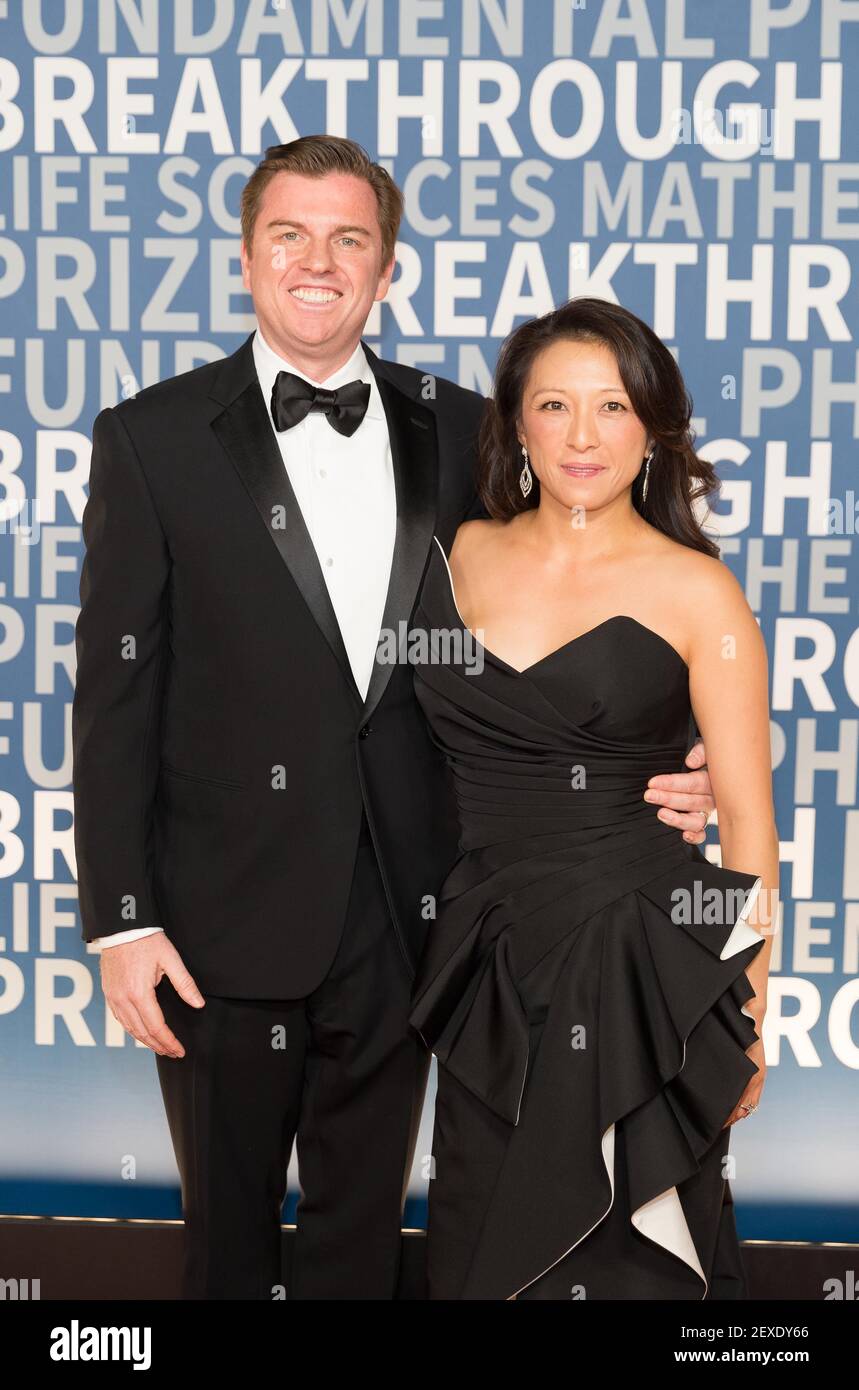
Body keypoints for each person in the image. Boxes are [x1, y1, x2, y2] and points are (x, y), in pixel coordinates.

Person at [72, 137, 719, 1301]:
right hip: (216, 920)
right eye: (290, 234)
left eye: (348, 239)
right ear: (246, 255)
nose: (316, 262)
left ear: (386, 269)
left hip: (417, 912)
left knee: (359, 1245)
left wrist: (676, 759)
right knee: (223, 1246)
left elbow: (570, 606)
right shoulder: (150, 437)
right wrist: (121, 918)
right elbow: (114, 690)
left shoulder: (470, 426)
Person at [408, 297, 778, 1301]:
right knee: (490, 1244)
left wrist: (748, 1007)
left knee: (633, 1262)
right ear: (516, 424)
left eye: (611, 407)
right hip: (490, 956)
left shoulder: (698, 589)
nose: (581, 435)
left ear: (651, 428)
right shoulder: (461, 556)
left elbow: (745, 821)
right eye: (554, 405)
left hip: (637, 965)